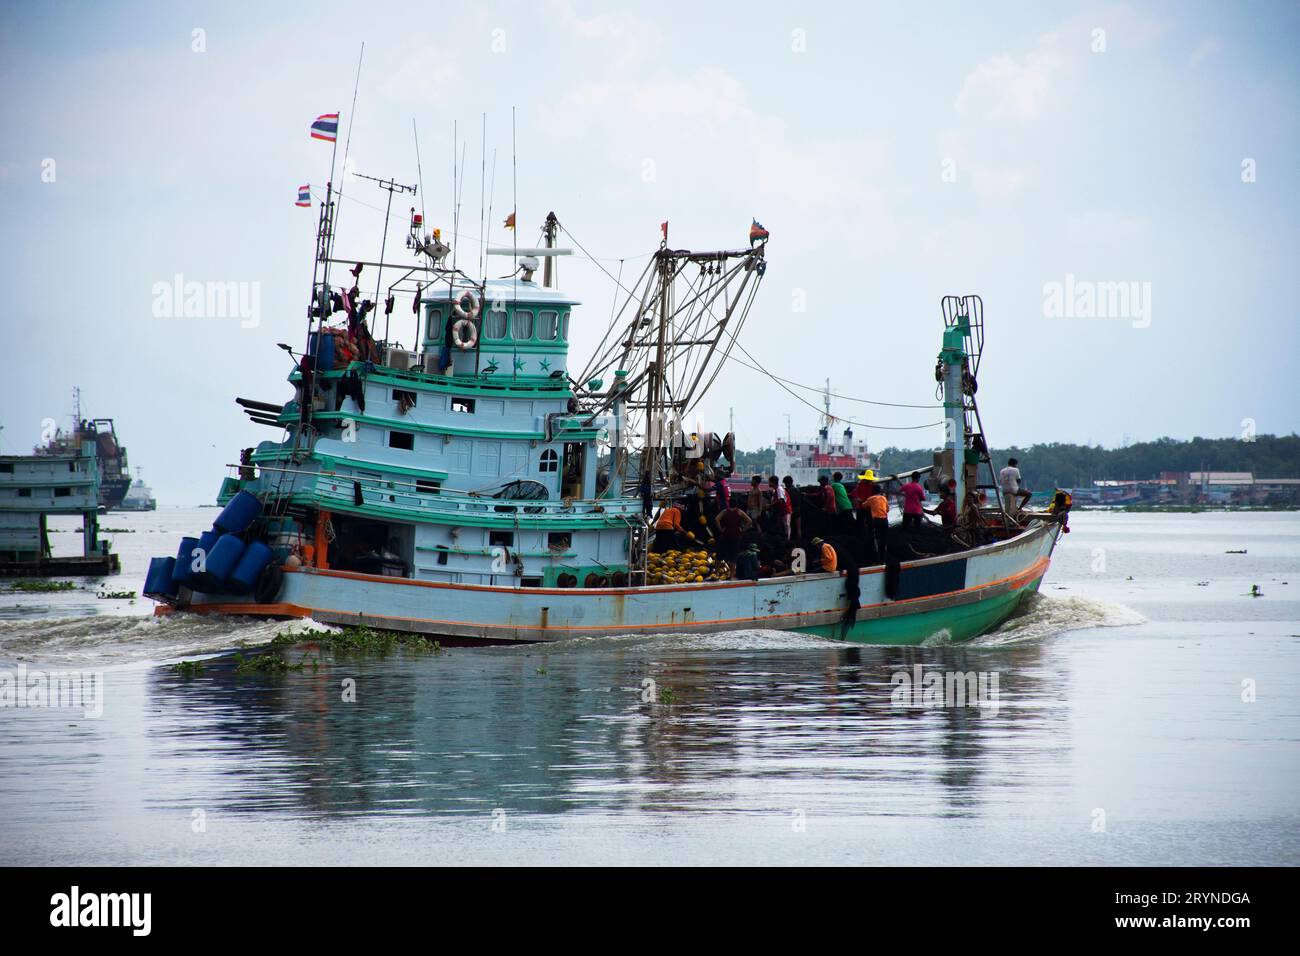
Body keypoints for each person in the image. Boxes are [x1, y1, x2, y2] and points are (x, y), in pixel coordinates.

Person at [714, 501, 753, 574]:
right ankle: (732, 575)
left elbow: (716, 519)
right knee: (733, 555)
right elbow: (750, 521)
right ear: (736, 505)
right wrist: (743, 530)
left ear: (729, 504)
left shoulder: (725, 511)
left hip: (725, 534)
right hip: (736, 535)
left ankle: (716, 572)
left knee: (720, 553)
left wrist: (720, 529)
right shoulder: (739, 512)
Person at [864, 483, 890, 559]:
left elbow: (863, 505)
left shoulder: (871, 499)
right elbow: (887, 509)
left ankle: (877, 557)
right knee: (884, 539)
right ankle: (884, 557)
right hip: (884, 520)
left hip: (876, 521)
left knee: (876, 538)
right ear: (880, 491)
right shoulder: (884, 498)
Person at [768, 475, 791, 539]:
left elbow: (781, 500)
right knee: (782, 527)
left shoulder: (779, 489)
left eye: (769, 482)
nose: (768, 483)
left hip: (785, 511)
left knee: (786, 526)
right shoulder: (776, 490)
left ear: (772, 482)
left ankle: (787, 540)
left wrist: (770, 505)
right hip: (781, 511)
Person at [783, 475, 802, 541]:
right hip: (797, 511)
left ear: (785, 483)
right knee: (798, 529)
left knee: (788, 528)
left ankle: (788, 542)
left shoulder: (785, 491)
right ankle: (800, 542)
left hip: (789, 511)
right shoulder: (797, 490)